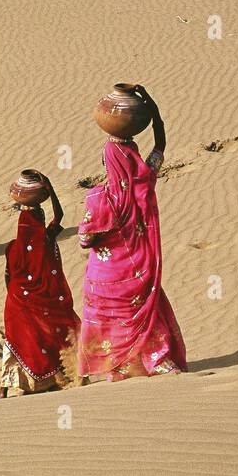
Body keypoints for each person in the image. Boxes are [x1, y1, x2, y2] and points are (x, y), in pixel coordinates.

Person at [77, 85, 188, 380]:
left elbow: (84, 240)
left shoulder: (99, 200)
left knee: (109, 315)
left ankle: (122, 365)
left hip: (107, 274)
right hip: (140, 267)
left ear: (108, 164)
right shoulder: (145, 179)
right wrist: (153, 110)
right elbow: (160, 148)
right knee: (147, 307)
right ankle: (156, 359)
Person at [0, 170, 80, 398]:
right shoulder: (48, 239)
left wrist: (17, 296)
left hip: (18, 302)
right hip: (40, 302)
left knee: (16, 341)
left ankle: (2, 388)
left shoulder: (13, 248)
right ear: (41, 221)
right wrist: (50, 189)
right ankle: (57, 376)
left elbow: (9, 279)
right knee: (50, 333)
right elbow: (59, 215)